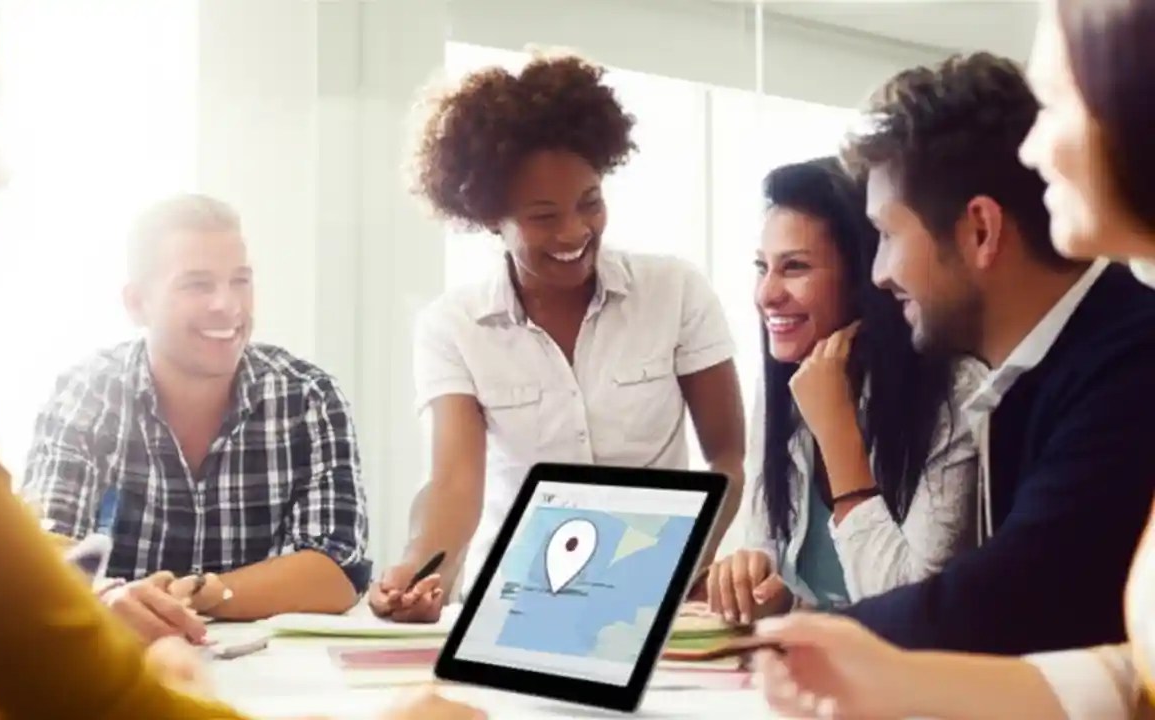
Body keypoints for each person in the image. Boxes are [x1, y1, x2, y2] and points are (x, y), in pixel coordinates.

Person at [0, 2, 483, 719]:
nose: (3, 171)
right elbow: (71, 680)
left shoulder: (306, 393)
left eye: (240, 280)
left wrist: (160, 661)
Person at [752, 1, 1155, 716]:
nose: (878, 275)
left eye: (1057, 104)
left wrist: (785, 647)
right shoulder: (1032, 371)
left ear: (979, 230)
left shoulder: (1131, 360)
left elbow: (1015, 603)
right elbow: (1118, 665)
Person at [369, 52, 747, 622]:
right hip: (519, 605)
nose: (574, 231)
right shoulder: (453, 327)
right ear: (491, 217)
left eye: (589, 202)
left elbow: (729, 456)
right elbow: (454, 484)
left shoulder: (675, 291)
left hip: (653, 599)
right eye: (542, 216)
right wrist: (424, 573)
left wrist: (685, 568)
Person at [22, 194, 372, 642]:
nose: (227, 306)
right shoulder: (89, 393)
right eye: (197, 285)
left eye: (240, 281)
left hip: (265, 672)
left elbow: (336, 570)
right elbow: (41, 551)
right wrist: (111, 598)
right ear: (137, 303)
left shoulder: (308, 396)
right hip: (122, 662)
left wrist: (202, 593)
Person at [704, 158, 979, 624]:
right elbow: (777, 567)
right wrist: (763, 586)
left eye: (794, 267)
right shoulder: (782, 386)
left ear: (862, 281)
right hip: (810, 667)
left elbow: (905, 610)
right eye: (761, 267)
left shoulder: (952, 392)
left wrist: (836, 433)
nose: (766, 294)